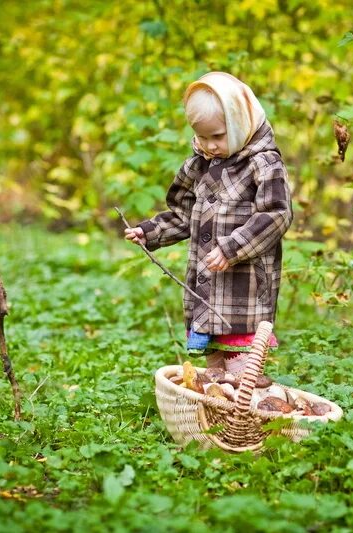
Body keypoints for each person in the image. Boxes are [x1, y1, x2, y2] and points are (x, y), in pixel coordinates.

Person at [125, 72, 292, 375]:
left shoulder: (263, 163)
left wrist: (232, 248)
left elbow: (275, 215)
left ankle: (244, 415)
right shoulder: (200, 164)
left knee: (243, 370)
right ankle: (216, 414)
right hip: (206, 289)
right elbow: (183, 214)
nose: (210, 145)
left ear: (241, 122)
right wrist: (150, 231)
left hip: (244, 288)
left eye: (218, 136)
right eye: (203, 137)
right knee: (214, 371)